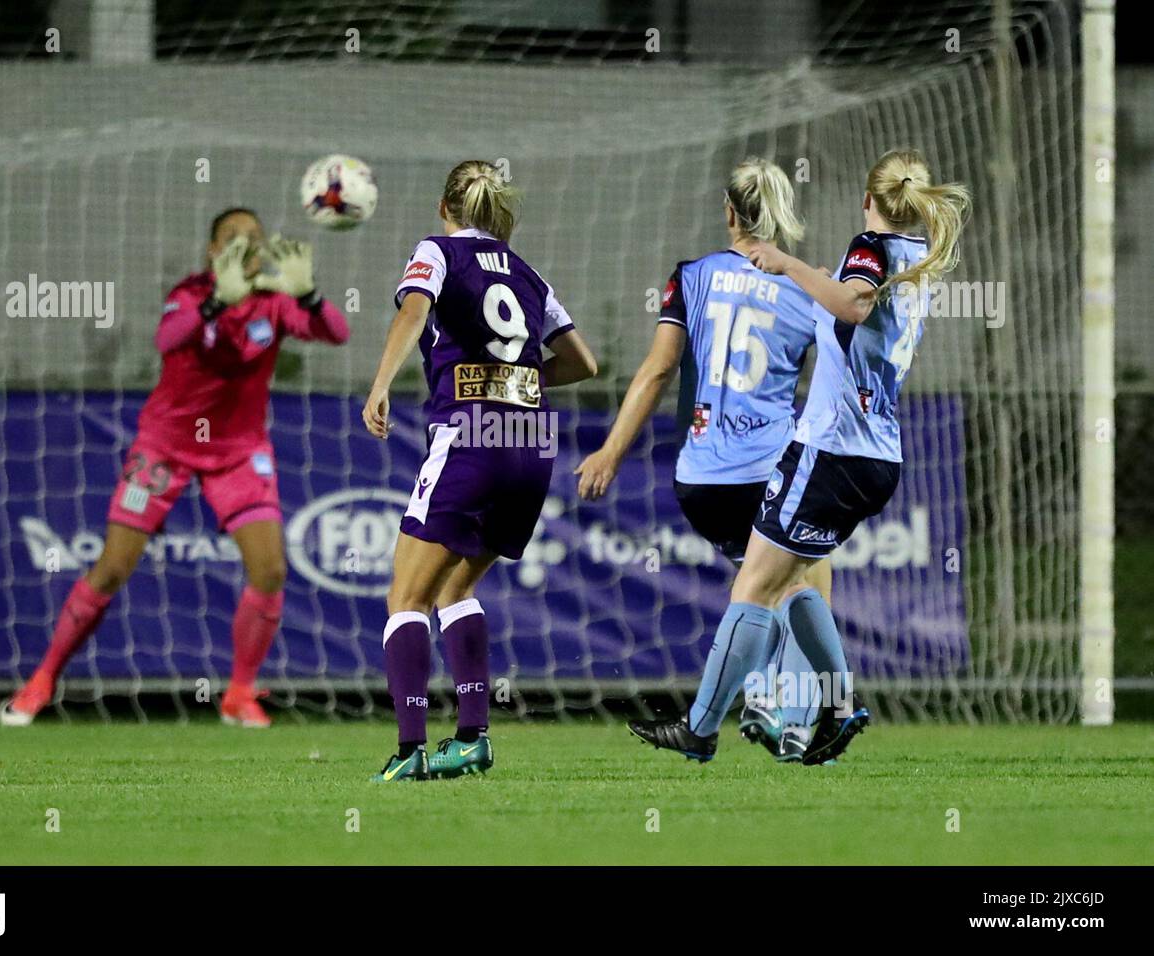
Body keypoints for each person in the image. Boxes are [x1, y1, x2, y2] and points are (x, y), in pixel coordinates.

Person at [629, 148, 970, 765]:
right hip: (877, 456)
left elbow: (854, 304)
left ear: (870, 201)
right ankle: (839, 708)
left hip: (829, 450)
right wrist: (811, 281)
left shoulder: (870, 247)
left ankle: (701, 729)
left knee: (752, 589)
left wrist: (787, 264)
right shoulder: (919, 259)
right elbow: (853, 316)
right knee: (795, 583)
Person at [0, 208, 350, 729]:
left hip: (237, 453)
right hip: (165, 449)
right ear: (213, 251)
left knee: (271, 569)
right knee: (114, 567)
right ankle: (43, 679)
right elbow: (168, 339)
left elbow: (336, 333)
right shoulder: (189, 293)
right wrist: (215, 303)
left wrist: (309, 294)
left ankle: (238, 694)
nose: (247, 245)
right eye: (233, 238)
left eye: (254, 237)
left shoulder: (274, 301)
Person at [577, 158, 827, 762]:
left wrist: (611, 450)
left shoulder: (692, 276)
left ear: (729, 212)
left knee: (763, 584)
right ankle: (785, 711)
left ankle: (770, 715)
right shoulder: (805, 288)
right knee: (805, 581)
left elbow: (659, 368)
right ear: (780, 215)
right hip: (771, 469)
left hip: (701, 479)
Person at [362, 160, 598, 781]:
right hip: (529, 442)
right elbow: (584, 362)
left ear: (446, 207)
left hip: (470, 439)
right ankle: (472, 738)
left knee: (405, 599)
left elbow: (414, 310)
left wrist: (381, 383)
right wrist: (517, 381)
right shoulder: (528, 273)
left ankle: (410, 750)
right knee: (454, 590)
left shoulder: (436, 251)